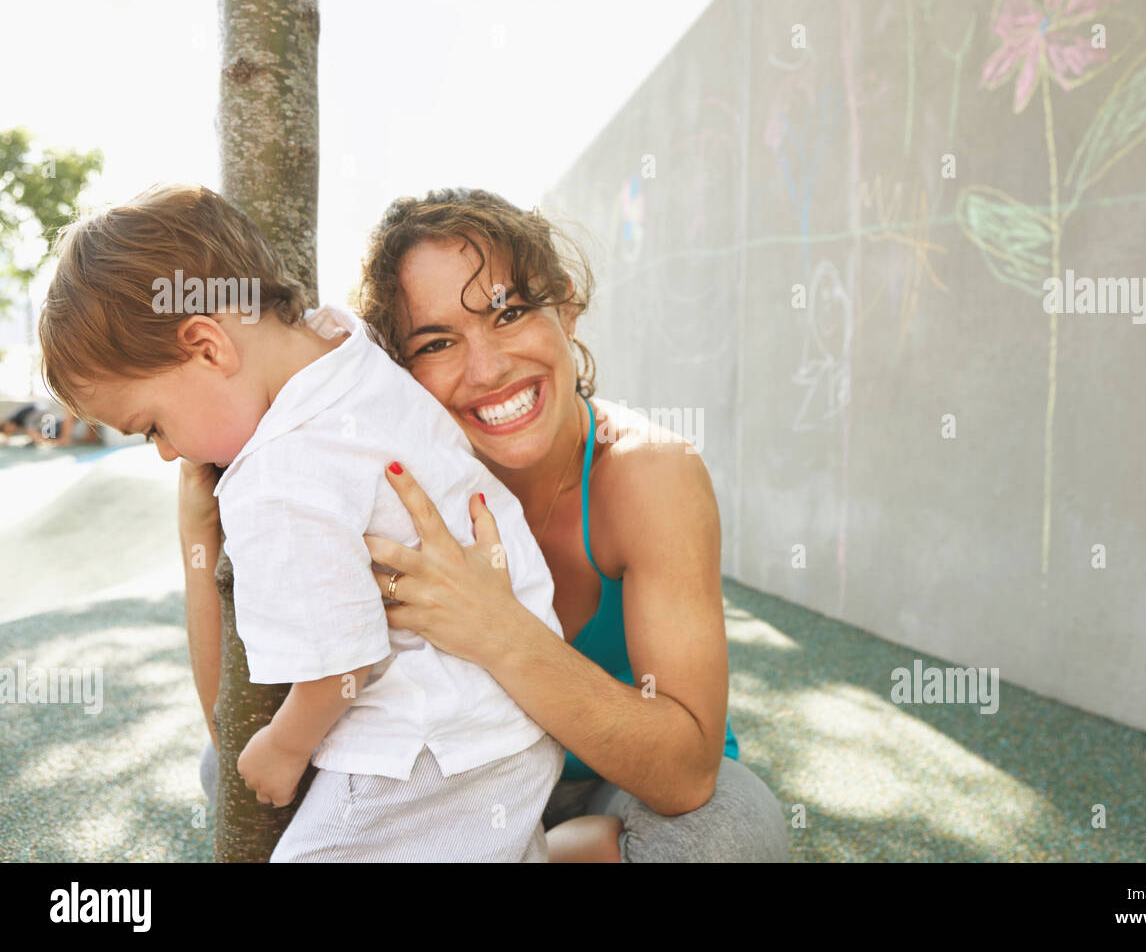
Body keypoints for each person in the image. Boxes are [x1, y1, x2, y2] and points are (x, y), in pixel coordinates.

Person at [38, 183, 571, 862]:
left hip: (428, 751)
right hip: (510, 724)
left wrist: (284, 747)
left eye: (152, 427)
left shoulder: (278, 475)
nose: (170, 452)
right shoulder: (347, 348)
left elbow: (345, 663)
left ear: (207, 346)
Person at [350, 187, 790, 861]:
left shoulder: (649, 473)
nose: (488, 369)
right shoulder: (399, 490)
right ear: (403, 374)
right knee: (231, 763)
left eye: (510, 313)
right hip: (473, 772)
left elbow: (686, 771)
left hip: (623, 787)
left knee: (733, 832)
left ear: (566, 307)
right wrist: (202, 518)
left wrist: (496, 631)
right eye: (437, 341)